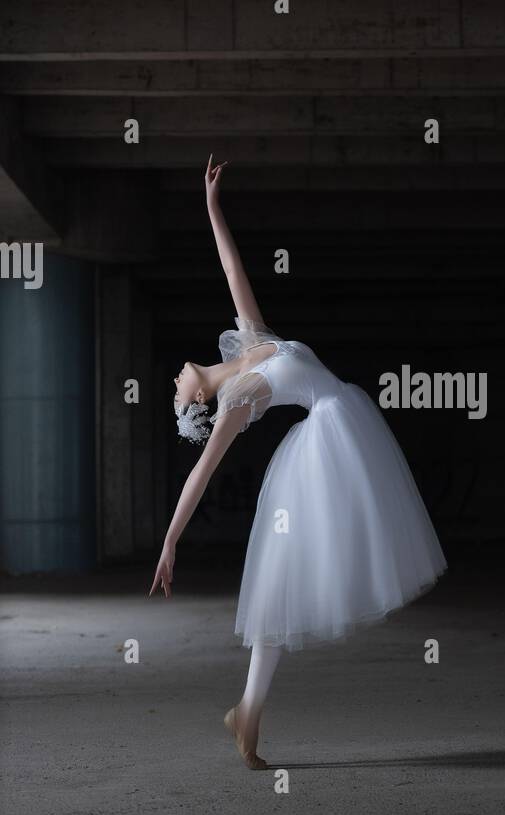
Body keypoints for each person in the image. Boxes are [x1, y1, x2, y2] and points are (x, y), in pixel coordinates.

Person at [150, 157, 447, 768]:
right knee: (279, 586)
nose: (172, 381)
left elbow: (232, 267)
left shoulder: (249, 343)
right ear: (196, 400)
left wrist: (211, 206)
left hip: (334, 429)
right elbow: (201, 472)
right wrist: (171, 540)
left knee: (283, 584)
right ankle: (249, 716)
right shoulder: (234, 400)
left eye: (171, 385)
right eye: (175, 393)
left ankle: (248, 716)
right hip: (325, 444)